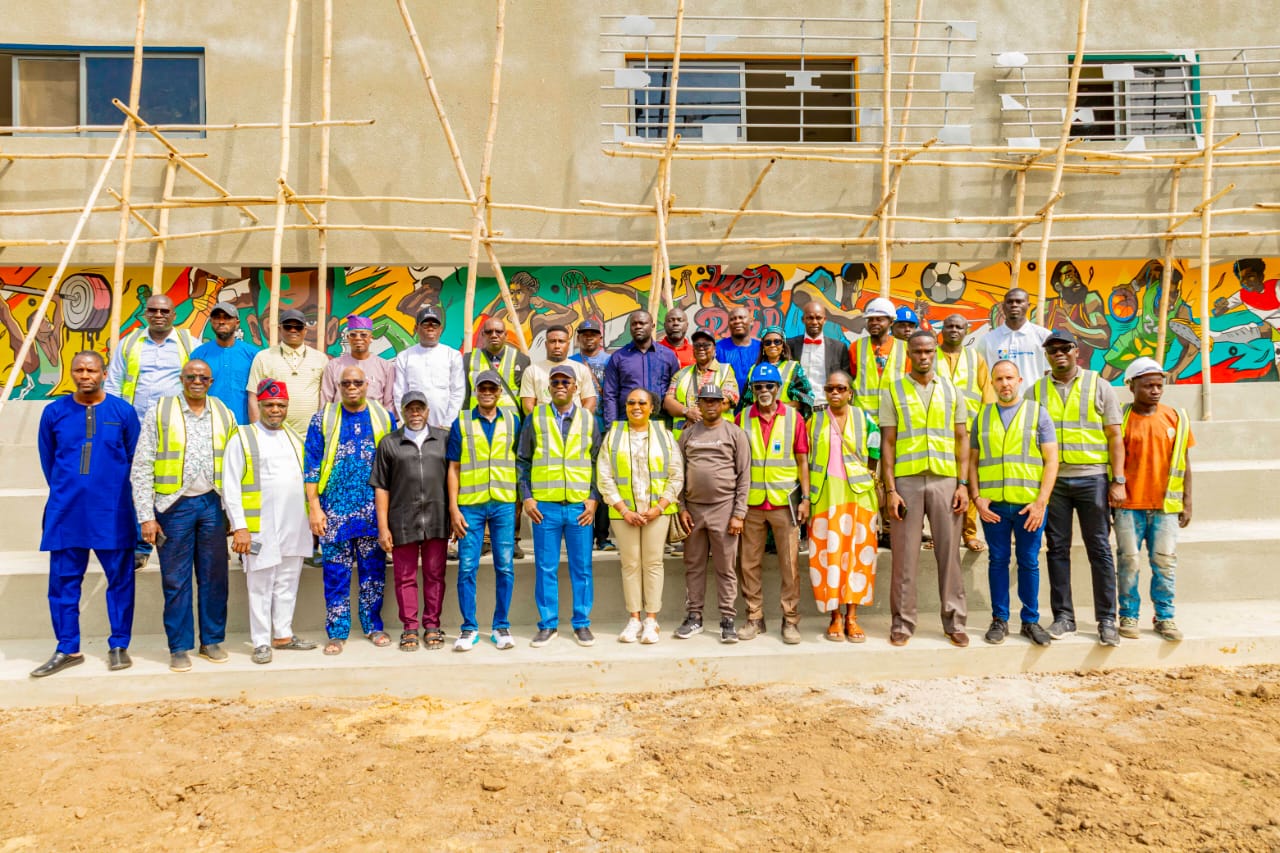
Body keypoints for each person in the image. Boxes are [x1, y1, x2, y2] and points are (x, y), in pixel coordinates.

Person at [31, 352, 141, 678]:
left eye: (91, 369)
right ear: (72, 373)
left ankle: (119, 644)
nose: (85, 375)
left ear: (104, 373)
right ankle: (68, 647)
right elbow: (49, 462)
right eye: (78, 370)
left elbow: (134, 459)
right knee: (64, 583)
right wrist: (72, 490)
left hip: (113, 512)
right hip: (67, 513)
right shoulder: (54, 413)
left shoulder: (123, 412)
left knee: (120, 581)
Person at [130, 358, 236, 672]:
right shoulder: (160, 412)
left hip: (212, 505)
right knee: (176, 580)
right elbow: (142, 466)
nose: (197, 381)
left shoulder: (223, 412)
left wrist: (233, 512)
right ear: (181, 378)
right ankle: (179, 646)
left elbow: (234, 465)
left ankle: (212, 640)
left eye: (203, 377)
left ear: (211, 381)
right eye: (191, 376)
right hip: (173, 507)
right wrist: (146, 516)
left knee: (214, 577)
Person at [1029, 328, 1126, 647]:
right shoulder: (1036, 391)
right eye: (1052, 349)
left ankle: (1107, 620)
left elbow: (1114, 437)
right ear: (1046, 355)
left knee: (1099, 549)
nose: (1058, 353)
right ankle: (1064, 617)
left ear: (1076, 351)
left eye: (1064, 348)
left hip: (1092, 479)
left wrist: (1118, 480)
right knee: (1057, 549)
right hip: (1053, 482)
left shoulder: (1099, 386)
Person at [880, 330, 970, 647]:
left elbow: (962, 439)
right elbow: (887, 444)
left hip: (946, 481)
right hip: (907, 482)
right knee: (904, 558)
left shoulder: (952, 391)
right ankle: (903, 623)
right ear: (909, 353)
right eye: (917, 351)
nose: (923, 356)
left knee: (949, 556)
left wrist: (963, 485)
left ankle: (955, 621)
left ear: (935, 353)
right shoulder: (893, 391)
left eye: (928, 351)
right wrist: (890, 490)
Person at [222, 379, 317, 665]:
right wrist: (239, 526)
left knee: (288, 582)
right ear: (259, 406)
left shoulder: (294, 438)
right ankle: (262, 641)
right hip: (257, 528)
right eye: (269, 405)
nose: (275, 410)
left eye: (281, 405)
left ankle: (283, 635)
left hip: (293, 525)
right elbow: (230, 486)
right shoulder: (243, 436)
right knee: (260, 586)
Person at [305, 365, 397, 656]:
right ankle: (337, 631)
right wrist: (314, 508)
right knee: (335, 574)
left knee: (374, 573)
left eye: (357, 382)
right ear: (339, 385)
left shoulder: (384, 417)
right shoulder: (323, 418)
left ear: (367, 384)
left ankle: (373, 625)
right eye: (346, 383)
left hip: (372, 511)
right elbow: (310, 468)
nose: (352, 387)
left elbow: (394, 467)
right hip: (334, 512)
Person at [105, 292, 199, 569]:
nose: (159, 315)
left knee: (179, 481)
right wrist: (114, 423)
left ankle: (178, 541)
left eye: (164, 311)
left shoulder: (188, 343)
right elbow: (113, 385)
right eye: (154, 311)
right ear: (146, 313)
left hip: (176, 426)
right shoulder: (130, 342)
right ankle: (141, 545)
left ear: (174, 314)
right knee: (139, 483)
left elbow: (200, 378)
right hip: (136, 425)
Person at [969, 360, 1059, 646]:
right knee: (997, 561)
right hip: (993, 508)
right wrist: (977, 498)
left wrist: (1041, 502)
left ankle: (1030, 621)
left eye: (1009, 378)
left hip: (1028, 508)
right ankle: (1000, 620)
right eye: (999, 379)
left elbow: (1051, 461)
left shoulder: (1038, 414)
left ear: (1020, 380)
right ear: (992, 383)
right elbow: (971, 461)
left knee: (1029, 562)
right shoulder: (982, 416)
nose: (1004, 383)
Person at [517, 364, 602, 648]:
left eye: (566, 381)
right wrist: (527, 497)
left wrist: (593, 498)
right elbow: (523, 460)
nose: (561, 386)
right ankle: (548, 624)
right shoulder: (535, 417)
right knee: (546, 567)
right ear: (549, 388)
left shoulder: (589, 420)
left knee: (582, 568)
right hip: (546, 508)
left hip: (579, 507)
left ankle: (581, 623)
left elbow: (597, 461)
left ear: (576, 388)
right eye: (556, 382)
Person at [1115, 357, 1194, 642]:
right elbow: (1111, 463)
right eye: (1148, 385)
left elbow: (1184, 462)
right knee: (1129, 561)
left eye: (1159, 385)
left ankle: (1165, 616)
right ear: (1132, 386)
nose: (1155, 391)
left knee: (1165, 562)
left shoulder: (1176, 417)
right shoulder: (1121, 418)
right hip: (1128, 507)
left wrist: (1187, 502)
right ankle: (1128, 613)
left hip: (1165, 508)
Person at [596, 388, 683, 644]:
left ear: (651, 407)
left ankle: (652, 621)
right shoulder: (614, 435)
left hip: (656, 513)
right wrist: (623, 509)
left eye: (642, 403)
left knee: (653, 563)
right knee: (631, 564)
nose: (636, 407)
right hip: (624, 514)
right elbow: (604, 476)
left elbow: (676, 474)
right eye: (631, 402)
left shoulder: (664, 435)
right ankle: (634, 618)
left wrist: (659, 507)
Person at [735, 362, 810, 644]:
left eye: (769, 386)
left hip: (784, 504)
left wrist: (805, 498)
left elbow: (803, 460)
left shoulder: (793, 418)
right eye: (758, 387)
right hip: (752, 504)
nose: (764, 391)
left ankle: (790, 620)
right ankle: (755, 617)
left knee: (789, 565)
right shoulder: (741, 419)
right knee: (748, 564)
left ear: (778, 389)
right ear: (752, 390)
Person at [371, 391, 451, 652]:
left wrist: (454, 513)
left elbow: (454, 478)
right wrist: (383, 527)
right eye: (410, 409)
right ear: (402, 412)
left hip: (437, 519)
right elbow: (381, 487)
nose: (415, 413)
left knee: (435, 575)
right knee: (405, 577)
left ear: (428, 411)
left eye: (420, 408)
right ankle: (409, 628)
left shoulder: (444, 439)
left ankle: (431, 625)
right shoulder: (390, 443)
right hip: (402, 519)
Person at [448, 370, 520, 651]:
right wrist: (453, 508)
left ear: (499, 392)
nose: (487, 392)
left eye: (492, 388)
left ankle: (501, 626)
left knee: (505, 566)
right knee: (467, 566)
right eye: (482, 388)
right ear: (475, 391)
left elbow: (519, 462)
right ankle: (469, 628)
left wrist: (517, 502)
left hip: (503, 503)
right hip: (471, 505)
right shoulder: (463, 422)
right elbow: (453, 468)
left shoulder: (512, 421)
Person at [806, 370, 880, 643]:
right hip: (825, 498)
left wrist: (868, 477)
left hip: (858, 497)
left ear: (850, 392)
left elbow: (875, 450)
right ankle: (834, 617)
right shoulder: (813, 421)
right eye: (829, 389)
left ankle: (852, 616)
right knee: (828, 557)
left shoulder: (864, 419)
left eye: (840, 388)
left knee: (857, 556)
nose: (834, 393)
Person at [674, 383, 751, 644]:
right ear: (699, 404)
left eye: (714, 401)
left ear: (723, 404)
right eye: (705, 401)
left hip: (724, 508)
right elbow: (678, 474)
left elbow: (744, 476)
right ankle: (694, 616)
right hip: (693, 511)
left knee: (725, 568)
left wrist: (738, 513)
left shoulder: (735, 433)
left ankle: (728, 620)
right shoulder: (688, 434)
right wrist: (682, 508)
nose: (710, 405)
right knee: (693, 565)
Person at [936, 313, 994, 553]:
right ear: (942, 328)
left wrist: (986, 430)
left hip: (969, 433)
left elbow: (987, 394)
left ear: (967, 330)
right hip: (936, 432)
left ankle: (968, 533)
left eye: (959, 327)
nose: (954, 330)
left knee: (969, 483)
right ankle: (943, 532)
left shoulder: (975, 358)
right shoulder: (930, 355)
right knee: (941, 485)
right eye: (949, 326)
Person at [246, 307, 329, 436]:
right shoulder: (263, 357)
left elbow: (326, 398)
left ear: (305, 330)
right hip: (273, 434)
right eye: (288, 326)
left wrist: (320, 431)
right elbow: (252, 396)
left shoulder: (320, 359)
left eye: (298, 327)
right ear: (280, 329)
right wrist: (259, 433)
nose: (293, 330)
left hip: (310, 435)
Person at [571, 318, 614, 551]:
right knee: (584, 479)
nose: (589, 337)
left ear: (600, 337)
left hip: (605, 426)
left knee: (603, 480)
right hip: (579, 428)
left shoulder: (611, 360)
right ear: (579, 337)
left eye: (593, 333)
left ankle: (603, 536)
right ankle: (584, 534)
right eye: (584, 333)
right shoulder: (572, 362)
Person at [392, 305, 465, 430]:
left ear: (440, 329)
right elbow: (400, 392)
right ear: (416, 328)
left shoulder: (452, 355)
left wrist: (448, 423)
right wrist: (407, 421)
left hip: (444, 426)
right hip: (414, 426)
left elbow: (457, 391)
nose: (431, 328)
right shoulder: (405, 356)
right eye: (426, 325)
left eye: (434, 325)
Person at [603, 310, 679, 427]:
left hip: (660, 423)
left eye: (642, 323)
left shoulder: (668, 356)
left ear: (653, 326)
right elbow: (610, 395)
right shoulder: (618, 357)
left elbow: (676, 392)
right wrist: (612, 427)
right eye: (634, 324)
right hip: (627, 423)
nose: (638, 326)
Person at [191, 301, 259, 426]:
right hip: (209, 426)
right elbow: (191, 393)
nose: (221, 321)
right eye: (217, 317)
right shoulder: (199, 355)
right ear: (211, 322)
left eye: (227, 317)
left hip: (243, 426)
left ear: (237, 323)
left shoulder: (253, 355)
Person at [663, 328, 739, 438]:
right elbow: (668, 402)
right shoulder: (681, 373)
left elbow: (727, 400)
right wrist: (687, 412)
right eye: (697, 345)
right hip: (684, 440)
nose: (701, 348)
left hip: (718, 439)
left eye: (706, 345)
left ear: (714, 349)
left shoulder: (726, 371)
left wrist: (697, 416)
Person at [321, 314, 397, 411]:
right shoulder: (334, 365)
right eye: (353, 334)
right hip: (340, 421)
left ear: (371, 338)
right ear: (348, 338)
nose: (358, 338)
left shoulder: (385, 367)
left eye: (363, 335)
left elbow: (388, 402)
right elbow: (326, 400)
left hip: (374, 423)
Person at [788, 301, 851, 411]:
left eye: (818, 318)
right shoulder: (790, 346)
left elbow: (846, 382)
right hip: (798, 410)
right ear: (803, 320)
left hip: (828, 410)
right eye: (810, 318)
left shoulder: (839, 348)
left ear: (825, 320)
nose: (814, 322)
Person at [520, 324, 598, 414]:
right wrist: (542, 422)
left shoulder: (581, 369)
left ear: (568, 345)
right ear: (546, 344)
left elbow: (590, 401)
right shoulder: (532, 371)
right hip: (543, 424)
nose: (557, 346)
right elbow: (527, 406)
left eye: (561, 341)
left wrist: (578, 421)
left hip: (574, 425)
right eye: (552, 341)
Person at [979, 288, 1050, 386]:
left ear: (1028, 306)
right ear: (1003, 307)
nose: (1014, 305)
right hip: (998, 400)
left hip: (1034, 399)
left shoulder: (1044, 336)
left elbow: (1050, 372)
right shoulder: (987, 340)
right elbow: (981, 375)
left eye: (1019, 301)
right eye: (1010, 302)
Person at [743, 325, 814, 418]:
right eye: (768, 342)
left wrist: (777, 409)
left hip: (785, 420)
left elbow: (805, 400)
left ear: (783, 345)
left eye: (777, 342)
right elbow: (747, 401)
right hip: (759, 422)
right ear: (763, 347)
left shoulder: (794, 368)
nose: (772, 345)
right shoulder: (754, 369)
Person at [850, 297, 903, 420]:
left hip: (895, 417)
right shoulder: (855, 347)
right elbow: (850, 380)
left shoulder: (905, 349)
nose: (874, 323)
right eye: (870, 319)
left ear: (891, 322)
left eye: (879, 319)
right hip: (863, 419)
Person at [466, 316, 530, 412]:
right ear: (483, 334)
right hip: (477, 422)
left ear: (506, 335)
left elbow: (526, 398)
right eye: (489, 332)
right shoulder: (468, 359)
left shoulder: (521, 360)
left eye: (498, 332)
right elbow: (464, 396)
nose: (494, 335)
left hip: (511, 422)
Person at [714, 306, 761, 406]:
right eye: (732, 319)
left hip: (756, 410)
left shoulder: (762, 348)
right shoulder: (718, 348)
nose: (737, 321)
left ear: (751, 321)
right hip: (726, 410)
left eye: (741, 317)